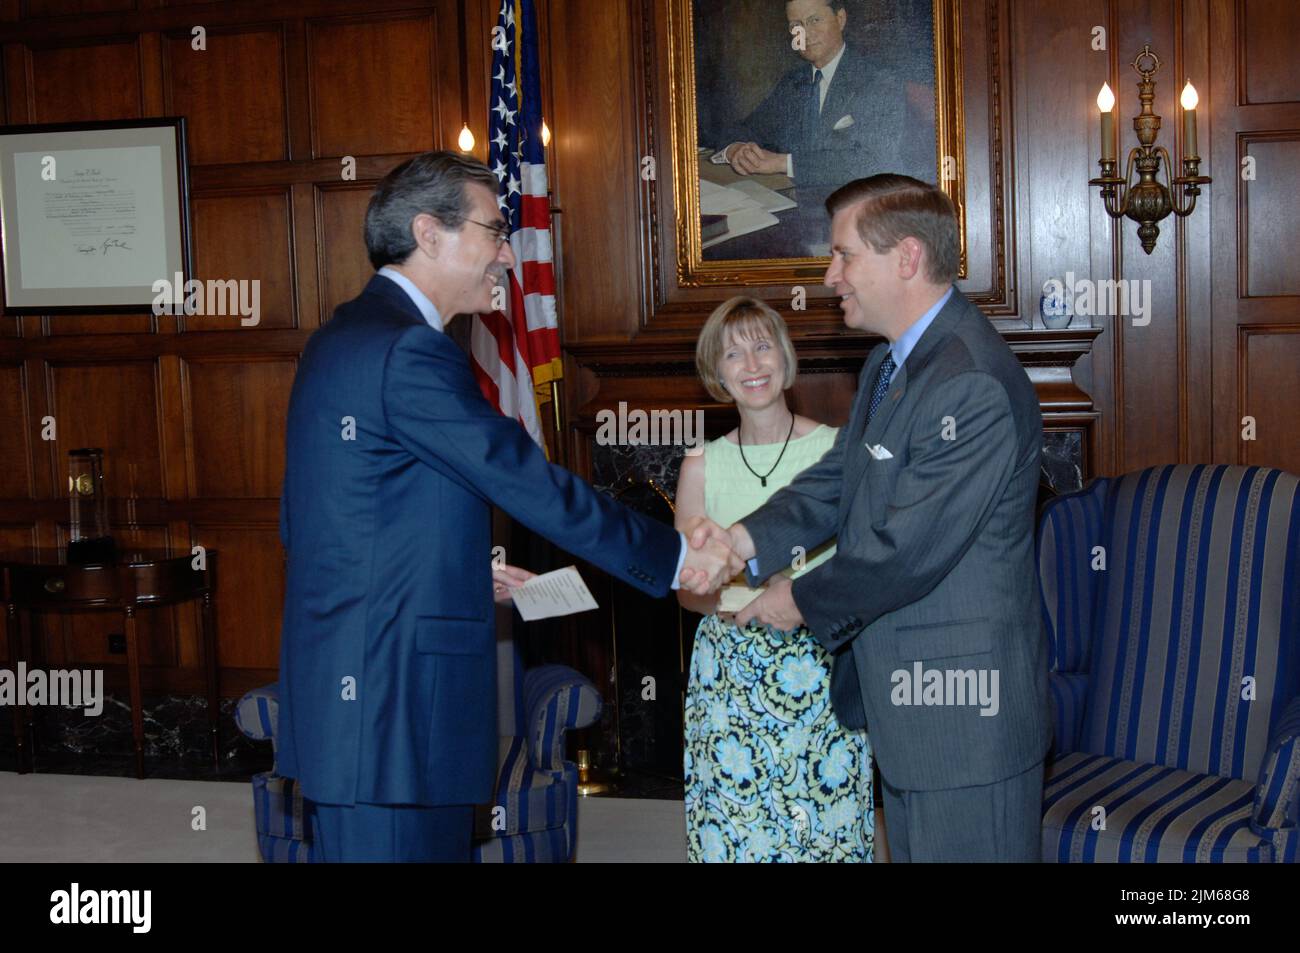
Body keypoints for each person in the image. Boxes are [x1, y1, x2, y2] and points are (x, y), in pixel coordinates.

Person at [277, 151, 739, 862]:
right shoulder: (409, 350)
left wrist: (457, 569)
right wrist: (675, 553)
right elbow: (526, 480)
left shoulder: (341, 336)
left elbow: (328, 520)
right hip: (390, 708)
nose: (507, 256)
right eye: (495, 232)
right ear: (430, 234)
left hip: (363, 692)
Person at [686, 174, 1052, 862]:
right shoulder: (893, 360)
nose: (830, 276)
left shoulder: (967, 380)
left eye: (845, 256)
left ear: (906, 258)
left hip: (964, 722)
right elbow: (838, 480)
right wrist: (741, 539)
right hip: (912, 712)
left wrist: (793, 598)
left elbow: (903, 551)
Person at [675, 296, 873, 862]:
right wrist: (715, 578)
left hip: (819, 662)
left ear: (785, 360)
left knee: (823, 830)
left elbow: (859, 566)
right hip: (729, 671)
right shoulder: (700, 467)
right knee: (736, 831)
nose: (751, 363)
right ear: (718, 374)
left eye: (763, 346)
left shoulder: (837, 450)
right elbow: (689, 596)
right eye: (733, 353)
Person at [709, 0, 932, 188]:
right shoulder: (793, 82)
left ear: (840, 19)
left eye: (815, 20)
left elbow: (872, 162)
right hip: (804, 209)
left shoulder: (879, 79)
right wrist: (735, 149)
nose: (805, 33)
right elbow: (747, 128)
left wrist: (782, 163)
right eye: (796, 25)